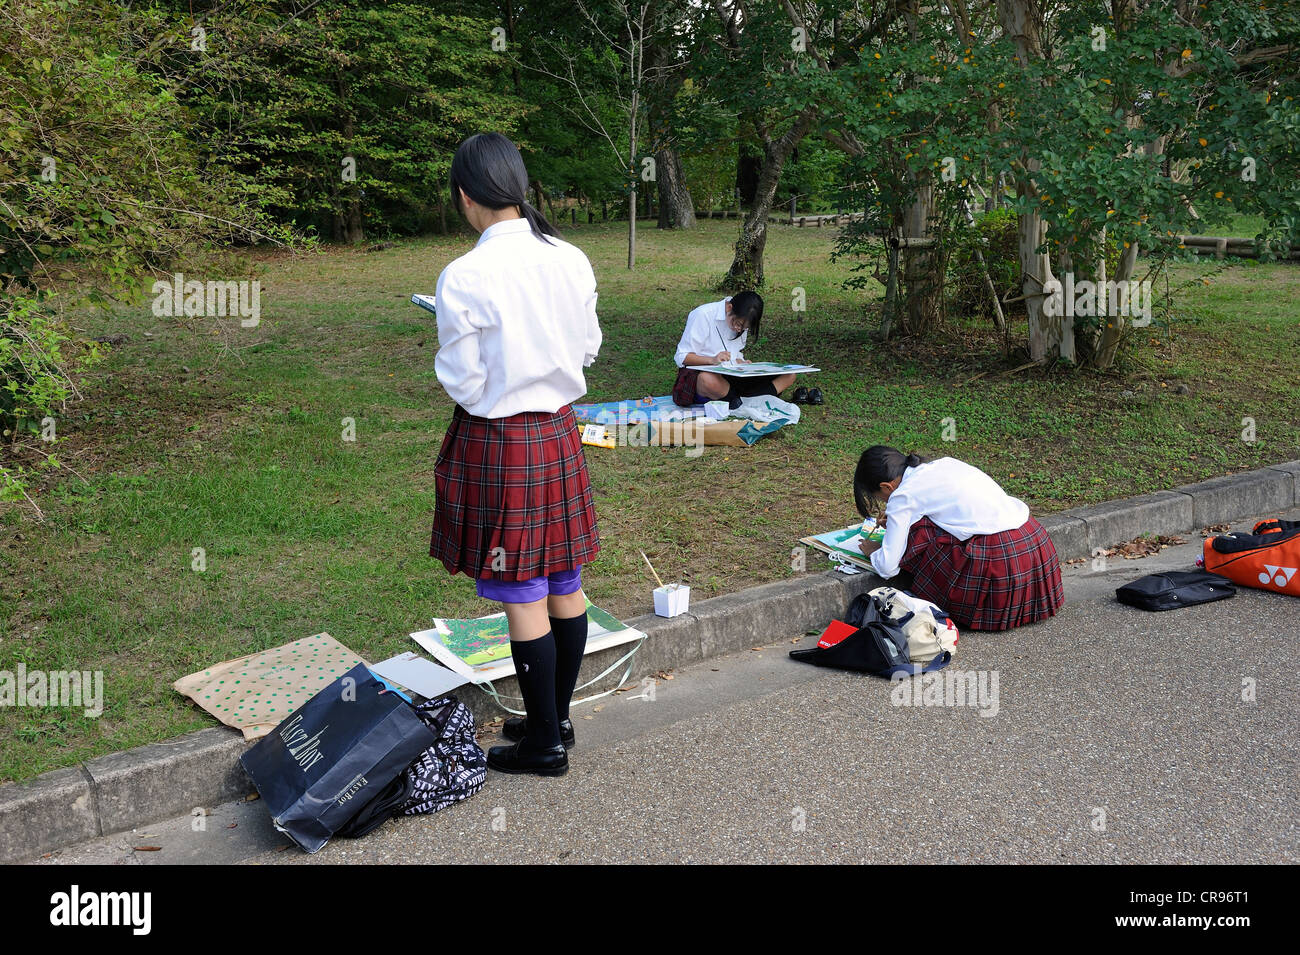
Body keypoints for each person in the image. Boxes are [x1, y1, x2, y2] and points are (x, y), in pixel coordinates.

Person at [429, 132, 602, 777]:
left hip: (503, 441)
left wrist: (501, 382)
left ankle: (545, 748)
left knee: (525, 589)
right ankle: (555, 720)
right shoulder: (572, 258)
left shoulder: (464, 275)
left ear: (466, 198)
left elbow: (464, 380)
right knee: (564, 579)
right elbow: (587, 348)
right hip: (557, 433)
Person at [853, 446, 1064, 631]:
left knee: (920, 536)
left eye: (881, 498)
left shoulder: (902, 495)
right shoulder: (944, 464)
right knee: (921, 528)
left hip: (998, 558)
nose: (885, 503)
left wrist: (875, 552)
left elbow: (888, 567)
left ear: (886, 487)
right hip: (1032, 542)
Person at [670, 292, 799, 407]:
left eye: (744, 328)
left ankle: (738, 401)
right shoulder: (703, 314)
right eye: (737, 324)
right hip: (704, 374)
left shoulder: (742, 322)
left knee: (789, 375)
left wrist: (741, 362)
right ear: (729, 308)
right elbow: (682, 357)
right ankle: (750, 400)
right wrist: (711, 360)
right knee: (707, 380)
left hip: (732, 376)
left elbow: (735, 353)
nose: (739, 329)